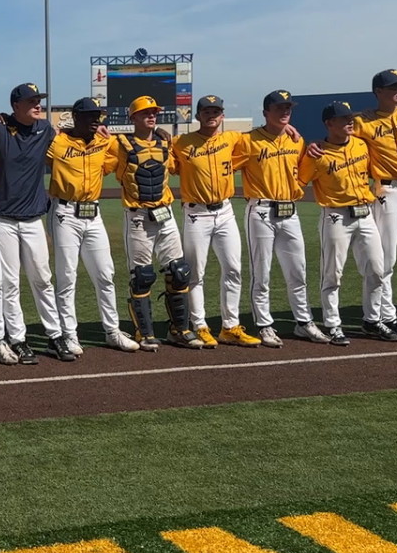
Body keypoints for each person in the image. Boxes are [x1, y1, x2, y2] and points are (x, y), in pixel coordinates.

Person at [0, 83, 66, 363]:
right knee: (9, 283)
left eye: (39, 100)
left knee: (43, 279)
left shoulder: (45, 130)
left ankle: (54, 335)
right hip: (2, 219)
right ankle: (18, 338)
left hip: (33, 219)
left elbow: (71, 139)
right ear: (15, 106)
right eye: (31, 101)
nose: (38, 105)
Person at [46, 97, 137, 357]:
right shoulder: (57, 142)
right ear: (76, 116)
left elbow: (119, 156)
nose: (96, 120)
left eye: (98, 115)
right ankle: (69, 334)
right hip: (65, 213)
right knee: (67, 277)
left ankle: (112, 331)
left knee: (105, 274)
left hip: (93, 213)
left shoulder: (103, 142)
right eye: (89, 115)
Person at [233, 90, 325, 346]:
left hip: (289, 210)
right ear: (265, 113)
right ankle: (264, 324)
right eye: (279, 108)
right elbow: (221, 156)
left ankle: (303, 322)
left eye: (288, 108)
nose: (285, 112)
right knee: (261, 272)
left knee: (298, 271)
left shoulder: (296, 140)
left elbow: (305, 170)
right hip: (261, 211)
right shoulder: (248, 140)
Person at [114, 95, 200, 350]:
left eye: (154, 113)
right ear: (133, 118)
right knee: (142, 276)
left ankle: (180, 330)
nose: (151, 116)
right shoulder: (118, 144)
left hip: (165, 212)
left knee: (179, 271)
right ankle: (145, 332)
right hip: (138, 216)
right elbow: (91, 145)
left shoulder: (166, 142)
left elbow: (180, 161)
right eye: (145, 113)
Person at [173, 95, 259, 347]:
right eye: (207, 111)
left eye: (216, 111)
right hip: (197, 214)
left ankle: (230, 326)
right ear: (197, 116)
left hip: (225, 212)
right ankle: (199, 325)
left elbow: (264, 135)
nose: (212, 115)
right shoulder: (181, 142)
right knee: (195, 274)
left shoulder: (232, 139)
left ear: (222, 116)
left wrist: (287, 127)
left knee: (233, 269)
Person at [349, 69, 397, 342]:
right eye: (393, 87)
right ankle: (386, 318)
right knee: (387, 260)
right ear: (378, 92)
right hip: (388, 191)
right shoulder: (362, 122)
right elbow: (336, 135)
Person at [297, 101, 384, 346]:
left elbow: (375, 169)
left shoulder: (361, 144)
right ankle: (333, 324)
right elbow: (300, 181)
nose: (349, 122)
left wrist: (379, 186)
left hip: (365, 214)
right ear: (328, 123)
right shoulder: (317, 154)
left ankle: (372, 320)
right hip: (336, 217)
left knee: (377, 270)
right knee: (333, 274)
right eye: (343, 119)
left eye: (351, 118)